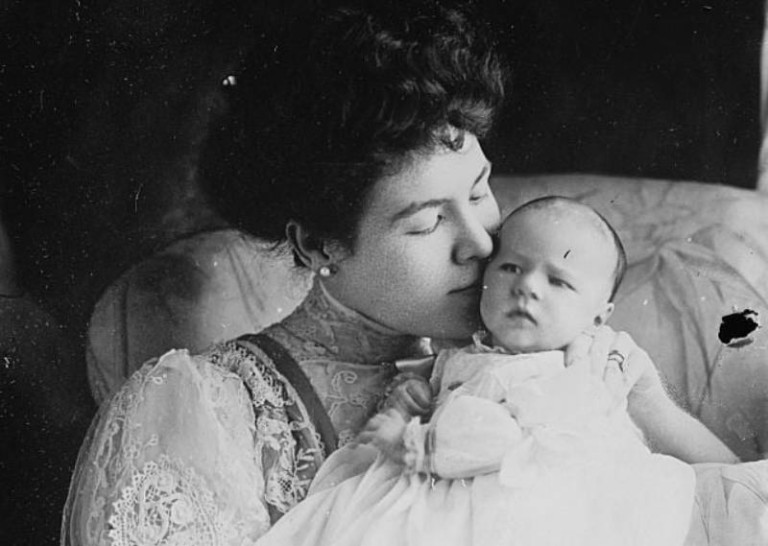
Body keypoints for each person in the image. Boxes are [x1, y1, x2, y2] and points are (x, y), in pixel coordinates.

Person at [61, 4, 762, 546]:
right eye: (428, 224)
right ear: (319, 244)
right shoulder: (207, 413)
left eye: (480, 190)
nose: (481, 241)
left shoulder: (554, 352)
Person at [253, 196, 738, 546]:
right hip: (455, 497)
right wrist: (411, 399)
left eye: (559, 281)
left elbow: (498, 436)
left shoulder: (574, 371)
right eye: (510, 268)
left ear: (599, 316)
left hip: (537, 506)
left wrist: (418, 444)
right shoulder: (460, 350)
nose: (528, 287)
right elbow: (440, 392)